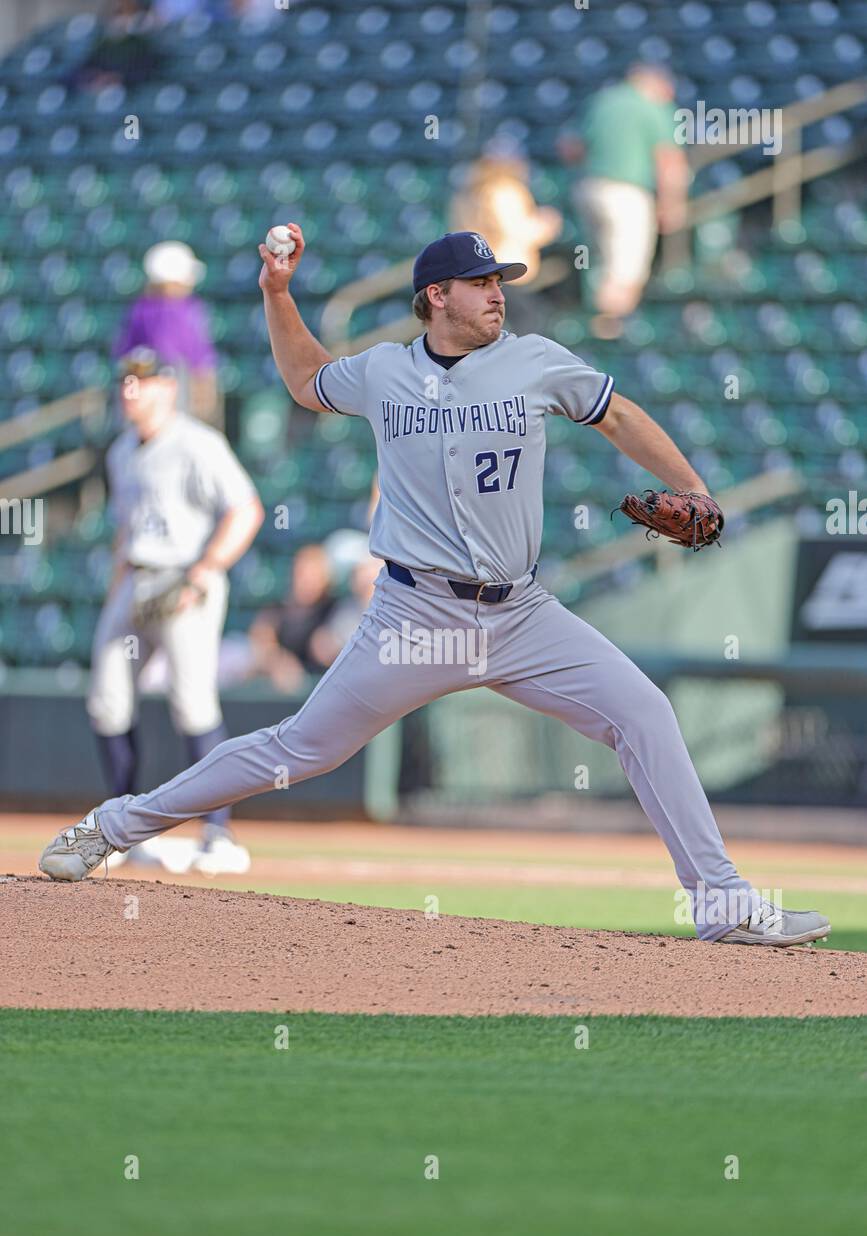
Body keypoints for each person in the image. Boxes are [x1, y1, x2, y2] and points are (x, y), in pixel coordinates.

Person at [39, 231, 830, 949]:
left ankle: (720, 902)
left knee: (643, 714)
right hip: (415, 617)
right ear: (435, 298)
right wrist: (277, 293)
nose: (497, 292)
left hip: (521, 613)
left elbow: (616, 416)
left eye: (499, 281)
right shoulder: (385, 371)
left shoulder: (534, 359)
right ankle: (109, 828)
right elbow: (308, 379)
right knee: (299, 749)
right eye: (480, 281)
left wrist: (693, 486)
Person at [85, 345, 264, 875]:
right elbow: (125, 530)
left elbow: (247, 509)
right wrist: (116, 592)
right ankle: (122, 829)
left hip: (186, 578)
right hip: (137, 578)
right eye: (125, 382)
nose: (130, 391)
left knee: (193, 705)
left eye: (142, 381)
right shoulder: (121, 451)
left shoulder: (196, 443)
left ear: (167, 387)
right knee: (107, 702)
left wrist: (205, 570)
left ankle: (220, 834)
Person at [559, 65, 690, 338]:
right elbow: (668, 159)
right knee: (626, 265)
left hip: (589, 188)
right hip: (626, 193)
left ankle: (593, 322)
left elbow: (571, 148)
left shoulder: (602, 100)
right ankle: (607, 331)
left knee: (598, 259)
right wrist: (672, 203)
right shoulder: (651, 106)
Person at [449, 138, 562, 334]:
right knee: (528, 323)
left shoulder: (467, 192)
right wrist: (547, 224)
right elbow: (518, 232)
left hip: (478, 269)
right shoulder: (504, 190)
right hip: (505, 268)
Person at [113, 242, 219, 422]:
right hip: (172, 393)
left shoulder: (140, 308)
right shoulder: (184, 310)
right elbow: (197, 362)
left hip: (151, 395)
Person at [247, 543, 336, 694]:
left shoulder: (335, 608)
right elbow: (261, 637)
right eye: (301, 573)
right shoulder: (276, 609)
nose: (305, 580)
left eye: (312, 574)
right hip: (283, 690)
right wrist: (278, 661)